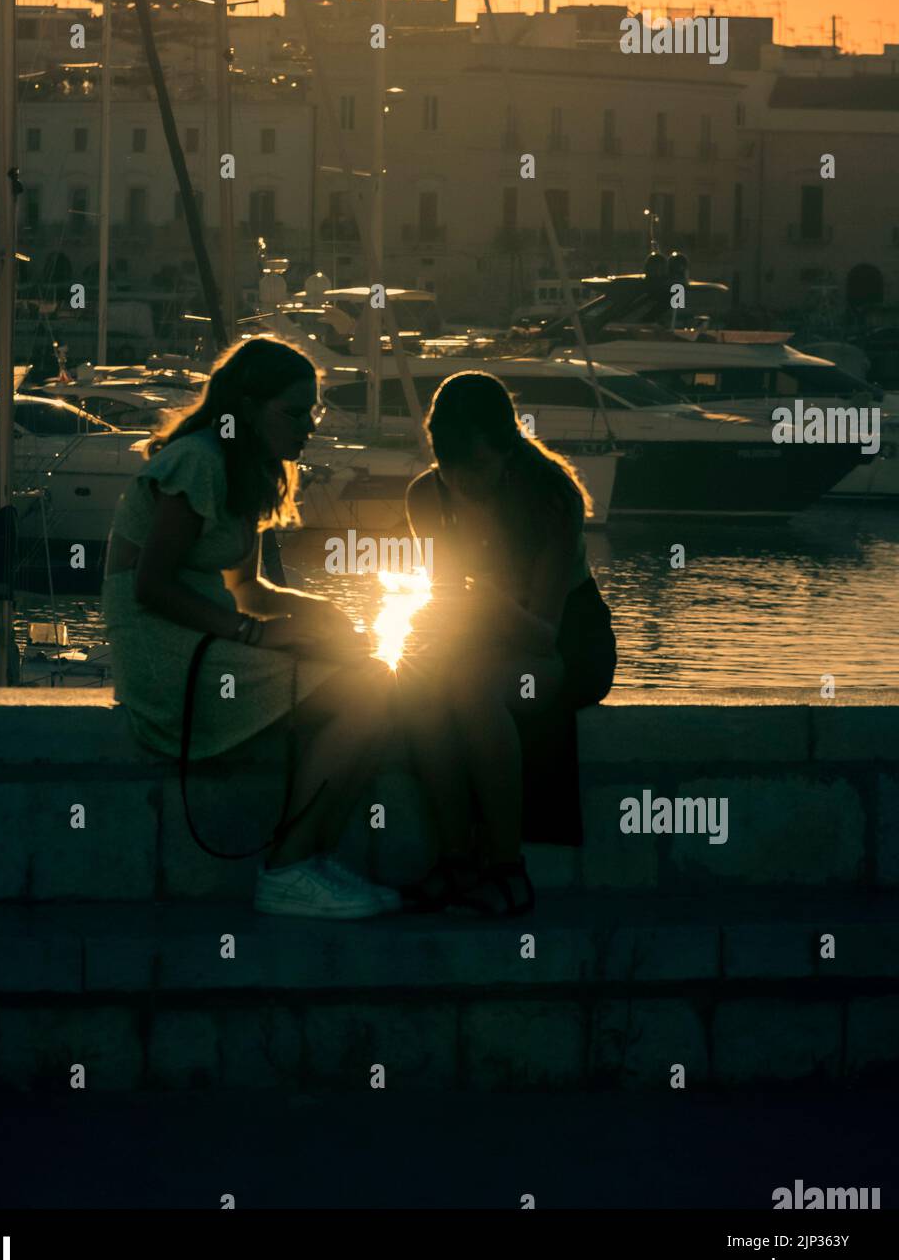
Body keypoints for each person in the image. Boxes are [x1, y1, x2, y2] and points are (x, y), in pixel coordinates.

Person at [101, 335, 398, 920]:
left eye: (312, 411)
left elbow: (248, 589)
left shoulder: (243, 469)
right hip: (165, 649)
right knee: (365, 691)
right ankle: (290, 867)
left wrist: (327, 618)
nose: (308, 426)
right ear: (245, 405)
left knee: (371, 679)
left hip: (205, 635)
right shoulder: (200, 462)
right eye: (294, 412)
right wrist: (260, 637)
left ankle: (308, 857)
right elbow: (151, 585)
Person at [400, 370, 616, 916]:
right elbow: (445, 594)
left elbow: (541, 633)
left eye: (475, 467)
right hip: (483, 633)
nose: (461, 483)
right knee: (417, 687)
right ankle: (454, 860)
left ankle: (506, 867)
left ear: (507, 448)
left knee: (474, 689)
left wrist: (482, 605)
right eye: (448, 467)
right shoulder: (428, 496)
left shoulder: (549, 497)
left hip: (567, 639)